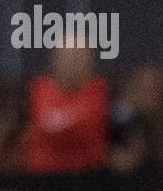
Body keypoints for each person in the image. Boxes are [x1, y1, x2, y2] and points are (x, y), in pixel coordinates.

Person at [24, 41, 109, 172]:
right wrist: (74, 118)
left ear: (90, 61)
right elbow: (43, 126)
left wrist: (59, 123)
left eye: (79, 55)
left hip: (89, 176)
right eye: (68, 55)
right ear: (55, 59)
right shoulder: (40, 89)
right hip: (43, 177)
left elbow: (86, 128)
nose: (73, 62)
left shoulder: (99, 90)